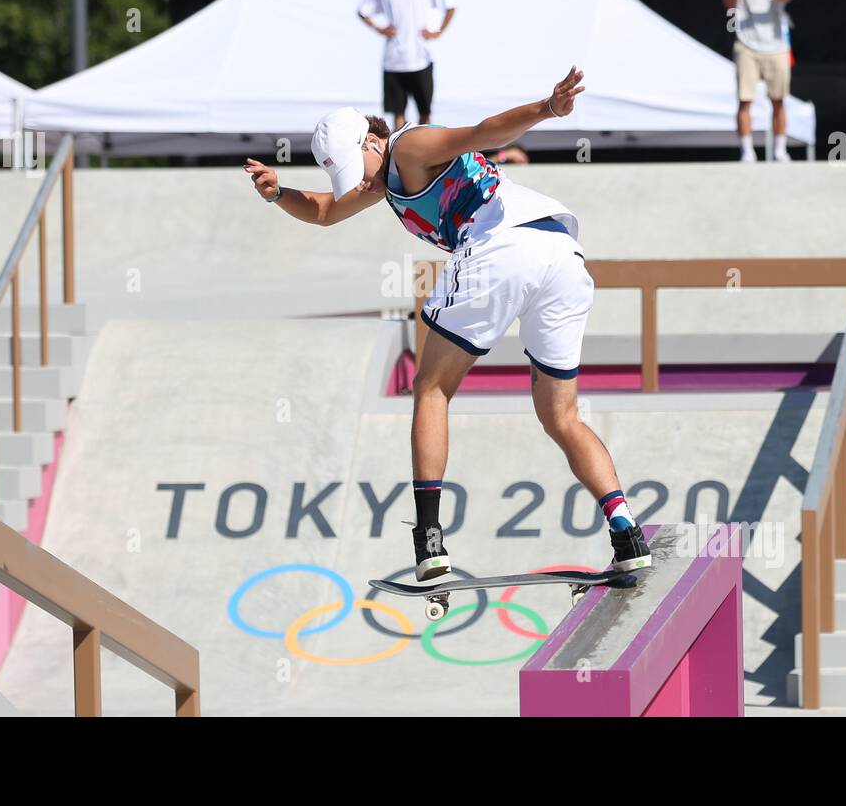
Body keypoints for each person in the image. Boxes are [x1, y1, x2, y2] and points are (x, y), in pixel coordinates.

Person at [245, 67, 652, 581]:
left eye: (360, 166)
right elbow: (325, 211)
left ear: (374, 139)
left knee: (431, 389)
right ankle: (625, 530)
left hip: (502, 248)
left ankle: (429, 538)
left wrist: (546, 109)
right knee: (561, 415)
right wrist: (280, 193)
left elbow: (484, 132)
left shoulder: (411, 146)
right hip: (560, 256)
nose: (362, 182)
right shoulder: (384, 175)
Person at [357, 0, 455, 129]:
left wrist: (437, 32)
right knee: (398, 111)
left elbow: (450, 6)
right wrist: (379, 28)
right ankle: (400, 151)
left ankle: (424, 150)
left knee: (425, 110)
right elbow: (362, 10)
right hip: (394, 59)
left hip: (420, 57)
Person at [721, 0, 797, 162]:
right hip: (747, 45)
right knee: (745, 100)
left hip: (776, 46)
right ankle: (747, 151)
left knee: (779, 100)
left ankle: (779, 150)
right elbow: (729, 4)